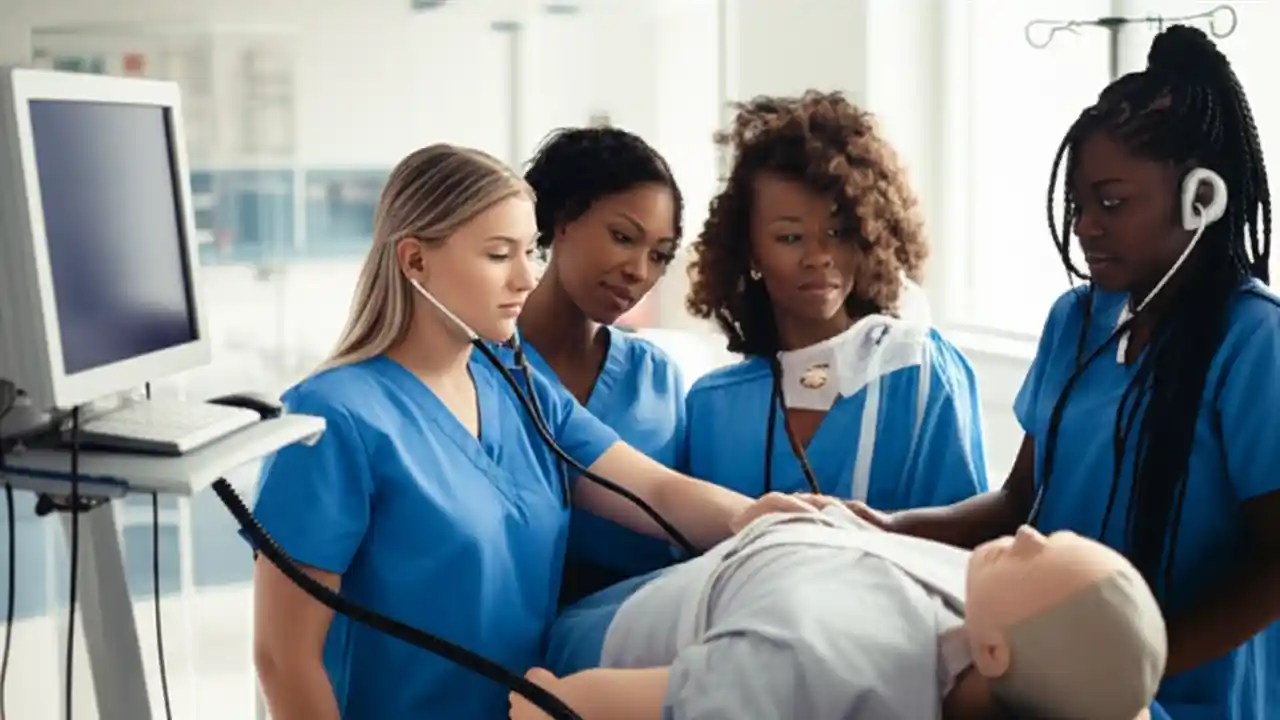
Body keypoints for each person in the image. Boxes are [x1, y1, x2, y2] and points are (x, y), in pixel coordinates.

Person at [851, 26, 1279, 720]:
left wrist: (1133, 665)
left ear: (1200, 199)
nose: (1085, 226)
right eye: (1079, 204)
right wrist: (882, 529)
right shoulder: (1075, 320)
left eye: (1112, 202)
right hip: (1062, 687)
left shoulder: (1255, 339)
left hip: (1189, 695)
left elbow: (1275, 565)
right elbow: (1016, 504)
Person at [247, 144, 761, 720]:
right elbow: (283, 659)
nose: (526, 278)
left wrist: (771, 519)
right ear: (414, 261)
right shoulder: (332, 417)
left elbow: (658, 491)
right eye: (498, 255)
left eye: (530, 252)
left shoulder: (518, 388)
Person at [513, 499, 1166, 720]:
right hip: (757, 556)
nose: (1026, 535)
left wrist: (545, 698)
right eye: (1053, 538)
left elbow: (592, 701)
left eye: (1038, 558)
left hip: (619, 634)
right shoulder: (1014, 629)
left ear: (995, 653)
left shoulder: (818, 666)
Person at [682, 90, 988, 510]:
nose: (819, 257)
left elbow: (963, 536)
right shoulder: (712, 406)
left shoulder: (916, 369)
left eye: (839, 233)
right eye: (790, 237)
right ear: (750, 252)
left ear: (868, 236)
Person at [519, 127, 688, 604]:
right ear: (562, 219)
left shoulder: (656, 379)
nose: (639, 271)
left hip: (637, 629)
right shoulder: (478, 365)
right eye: (623, 237)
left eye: (659, 256)